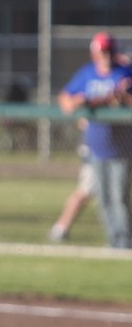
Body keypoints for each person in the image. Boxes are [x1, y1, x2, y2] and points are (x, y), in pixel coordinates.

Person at [59, 31, 132, 249]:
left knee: (119, 196)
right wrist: (77, 102)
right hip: (96, 147)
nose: (106, 55)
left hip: (122, 148)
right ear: (95, 54)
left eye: (109, 51)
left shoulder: (125, 72)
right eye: (102, 51)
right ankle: (113, 240)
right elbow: (66, 99)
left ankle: (124, 241)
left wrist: (121, 98)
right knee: (104, 198)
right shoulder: (87, 73)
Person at [49, 137, 94, 242]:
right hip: (97, 150)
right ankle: (60, 228)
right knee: (85, 191)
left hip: (108, 149)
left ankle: (61, 228)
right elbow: (83, 123)